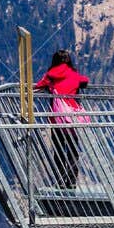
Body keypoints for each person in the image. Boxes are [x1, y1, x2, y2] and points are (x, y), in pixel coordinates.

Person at [34, 49, 89, 189]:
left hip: (57, 119)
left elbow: (38, 86)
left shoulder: (50, 75)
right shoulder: (74, 74)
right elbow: (85, 81)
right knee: (73, 150)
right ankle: (71, 181)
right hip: (72, 118)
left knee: (58, 149)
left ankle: (60, 182)